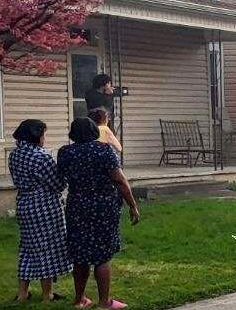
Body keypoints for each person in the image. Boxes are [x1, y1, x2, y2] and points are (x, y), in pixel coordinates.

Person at [57, 118, 140, 310]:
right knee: (102, 255)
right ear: (94, 131)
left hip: (77, 206)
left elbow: (60, 178)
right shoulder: (103, 150)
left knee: (80, 253)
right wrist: (133, 205)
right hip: (103, 206)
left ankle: (79, 299)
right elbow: (119, 181)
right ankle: (105, 302)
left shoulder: (66, 152)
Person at [8, 119, 70, 303]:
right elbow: (58, 183)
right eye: (43, 134)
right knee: (46, 249)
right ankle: (47, 294)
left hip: (24, 203)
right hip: (43, 206)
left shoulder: (14, 155)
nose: (44, 138)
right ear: (36, 136)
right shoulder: (41, 156)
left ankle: (22, 293)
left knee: (27, 248)